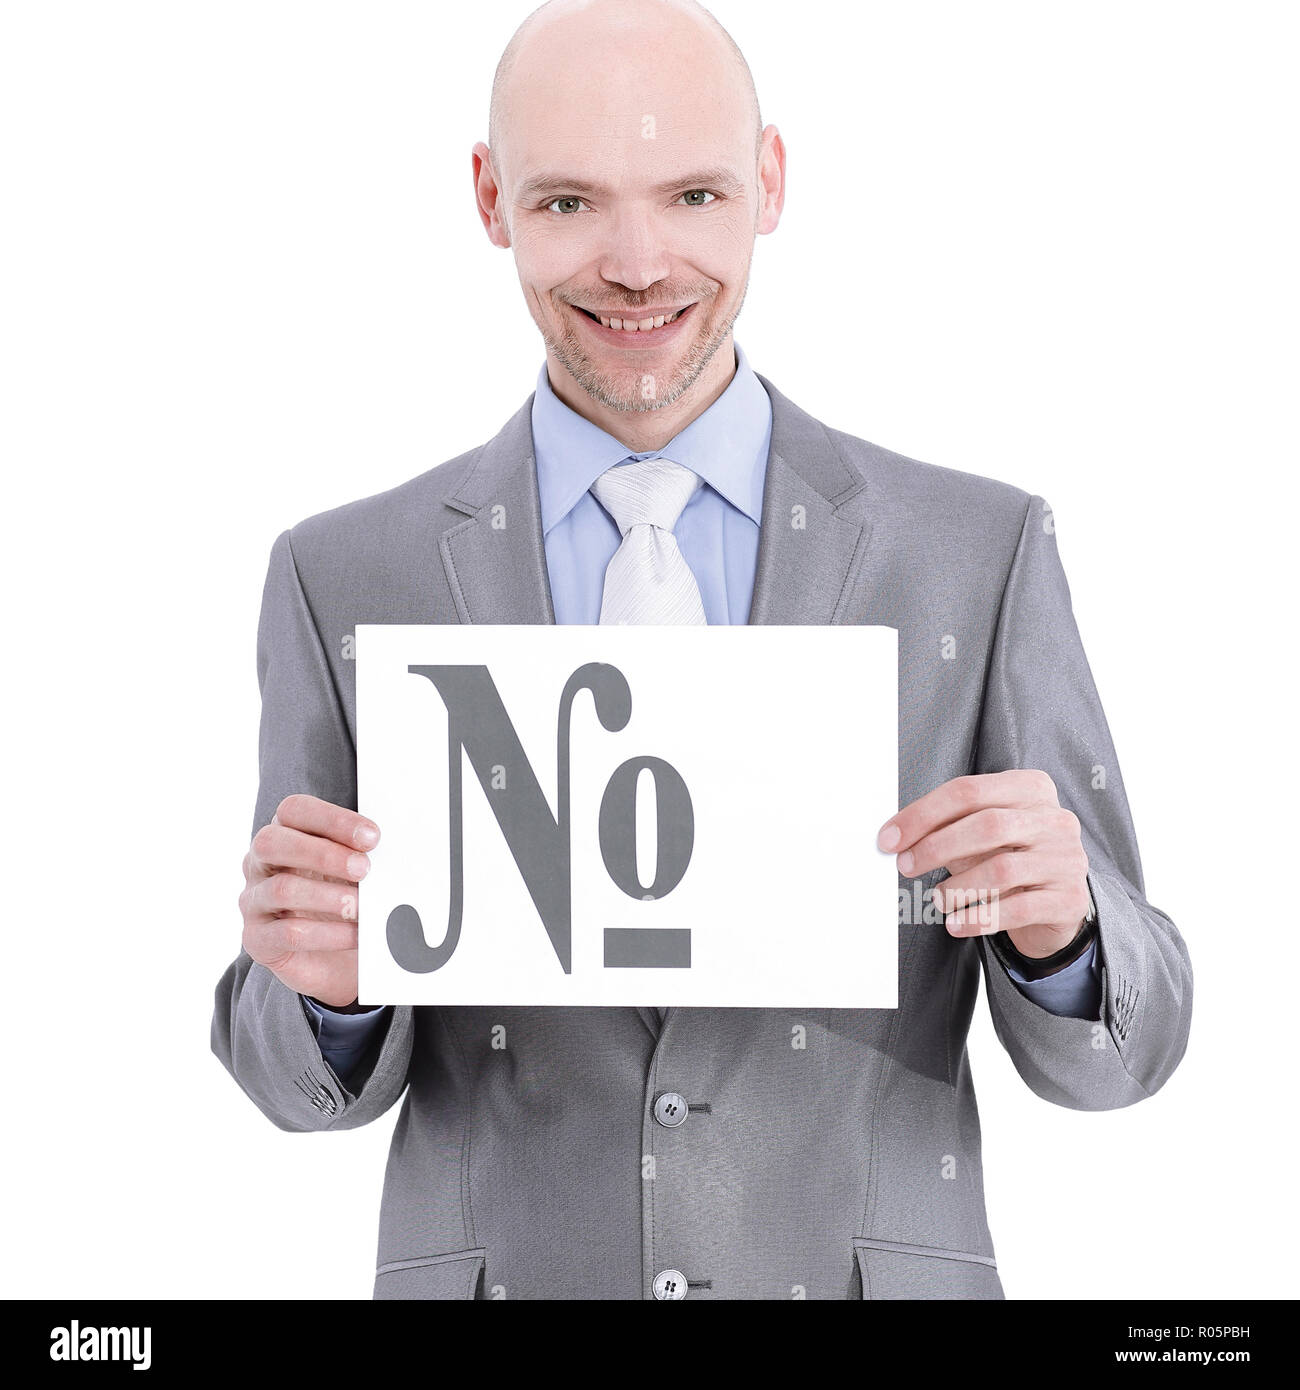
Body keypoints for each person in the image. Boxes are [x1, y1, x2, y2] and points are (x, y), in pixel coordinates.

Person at [211, 0, 1192, 1300]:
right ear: (490, 197)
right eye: (568, 203)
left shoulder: (979, 549)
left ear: (769, 185)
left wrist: (1064, 937)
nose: (636, 261)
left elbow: (1133, 1045)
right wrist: (326, 995)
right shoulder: (342, 576)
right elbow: (290, 1068)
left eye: (690, 193)